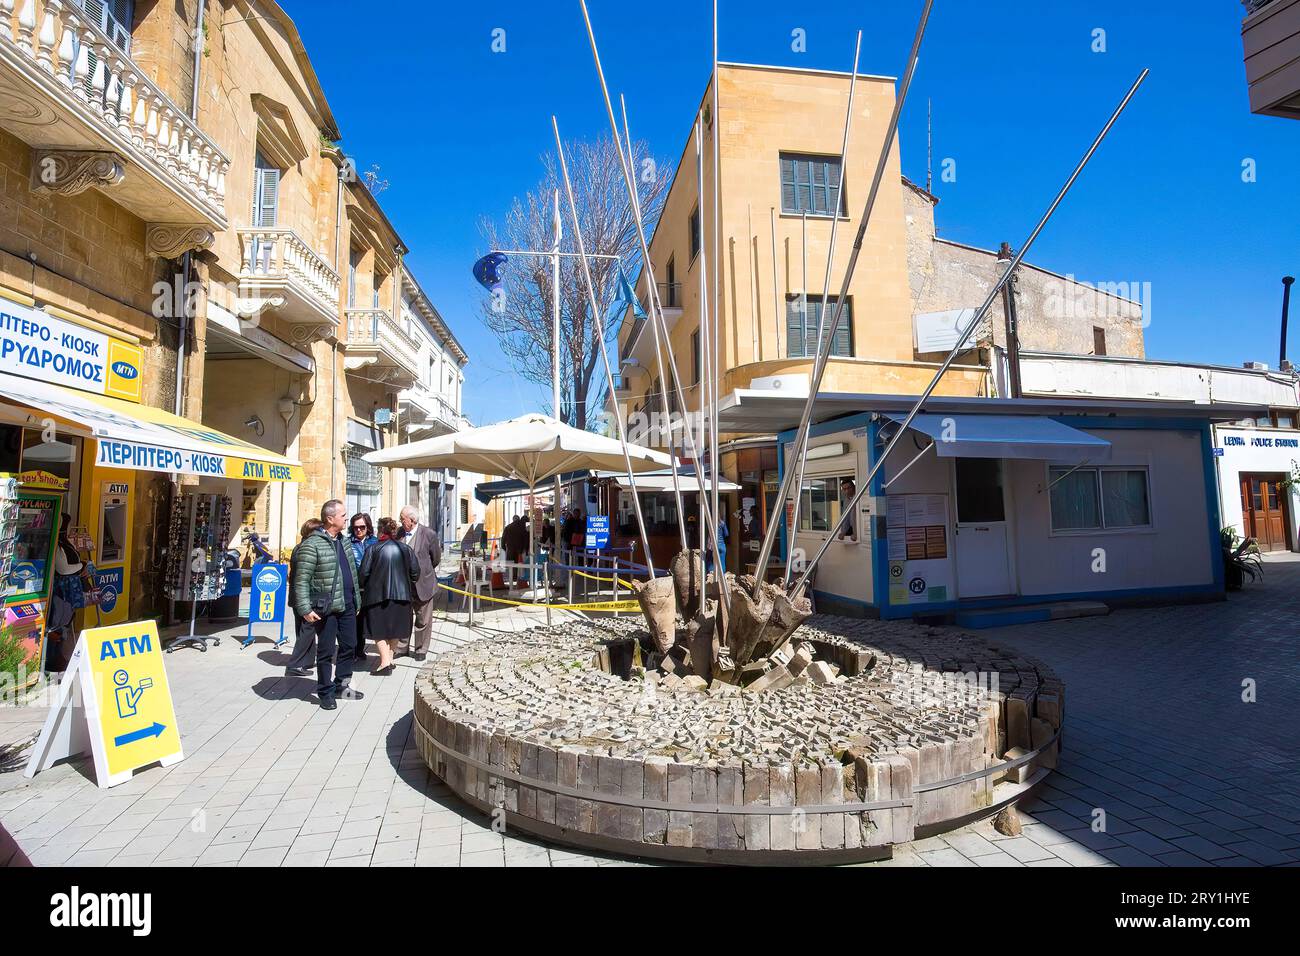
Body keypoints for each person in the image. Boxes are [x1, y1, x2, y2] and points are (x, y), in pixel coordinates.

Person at [290, 500, 364, 710]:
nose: (346, 518)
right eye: (343, 515)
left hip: (348, 604)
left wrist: (357, 599)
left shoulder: (345, 541)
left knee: (349, 646)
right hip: (327, 607)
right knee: (326, 650)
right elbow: (301, 579)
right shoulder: (312, 544)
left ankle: (343, 686)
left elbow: (352, 573)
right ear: (330, 519)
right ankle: (325, 691)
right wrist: (305, 608)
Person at [359, 517, 420, 676]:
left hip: (377, 596)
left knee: (378, 630)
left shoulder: (373, 549)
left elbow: (363, 573)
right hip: (402, 595)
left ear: (380, 531)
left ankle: (385, 663)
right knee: (395, 630)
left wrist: (365, 585)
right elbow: (416, 572)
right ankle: (390, 659)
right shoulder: (405, 549)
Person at [399, 505, 442, 662]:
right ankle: (402, 647)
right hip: (404, 584)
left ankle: (420, 649)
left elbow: (435, 558)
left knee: (423, 618)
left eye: (402, 519)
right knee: (403, 616)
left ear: (412, 520)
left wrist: (424, 571)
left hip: (423, 583)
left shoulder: (429, 534)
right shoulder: (399, 533)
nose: (400, 521)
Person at [284, 518, 323, 677]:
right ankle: (295, 664)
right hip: (304, 597)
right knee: (308, 629)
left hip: (297, 596)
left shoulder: (298, 547)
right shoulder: (306, 549)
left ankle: (307, 660)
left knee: (304, 629)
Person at [837, 478, 858, 543]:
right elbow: (846, 517)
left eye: (849, 488)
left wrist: (856, 533)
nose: (847, 491)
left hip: (858, 531)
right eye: (844, 489)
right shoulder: (846, 500)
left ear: (854, 487)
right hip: (851, 530)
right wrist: (843, 532)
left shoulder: (859, 497)